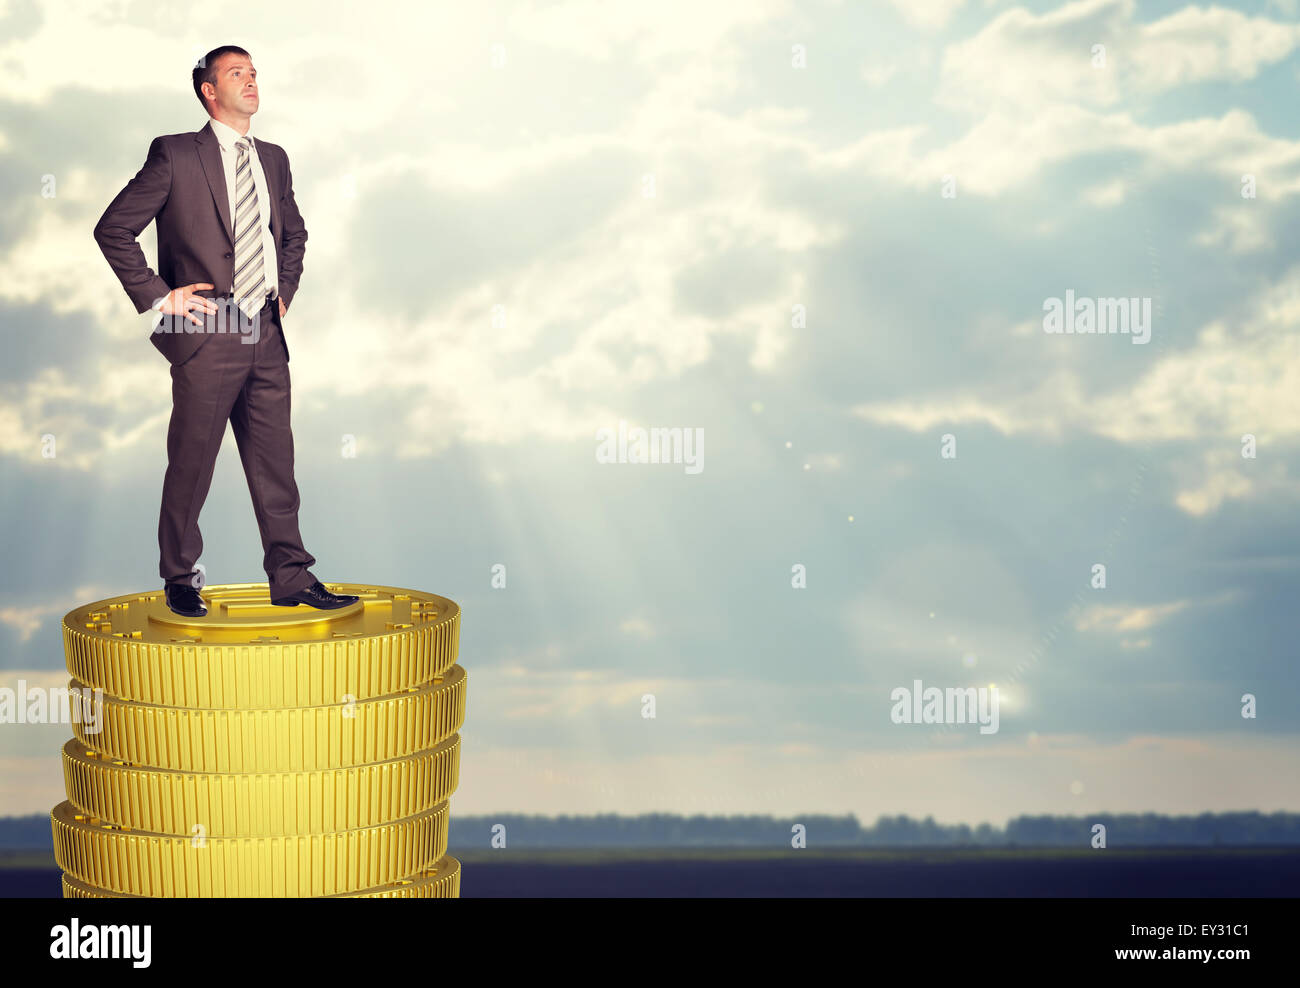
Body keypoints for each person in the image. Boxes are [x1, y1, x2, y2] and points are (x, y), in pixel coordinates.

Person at [93, 44, 357, 618]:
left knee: (275, 463)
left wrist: (284, 289)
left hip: (264, 328)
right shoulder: (175, 154)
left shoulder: (276, 158)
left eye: (255, 72)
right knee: (193, 461)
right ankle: (180, 578)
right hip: (210, 329)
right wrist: (161, 297)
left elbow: (294, 234)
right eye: (237, 73)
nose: (251, 80)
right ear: (209, 91)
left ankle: (291, 578)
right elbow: (113, 229)